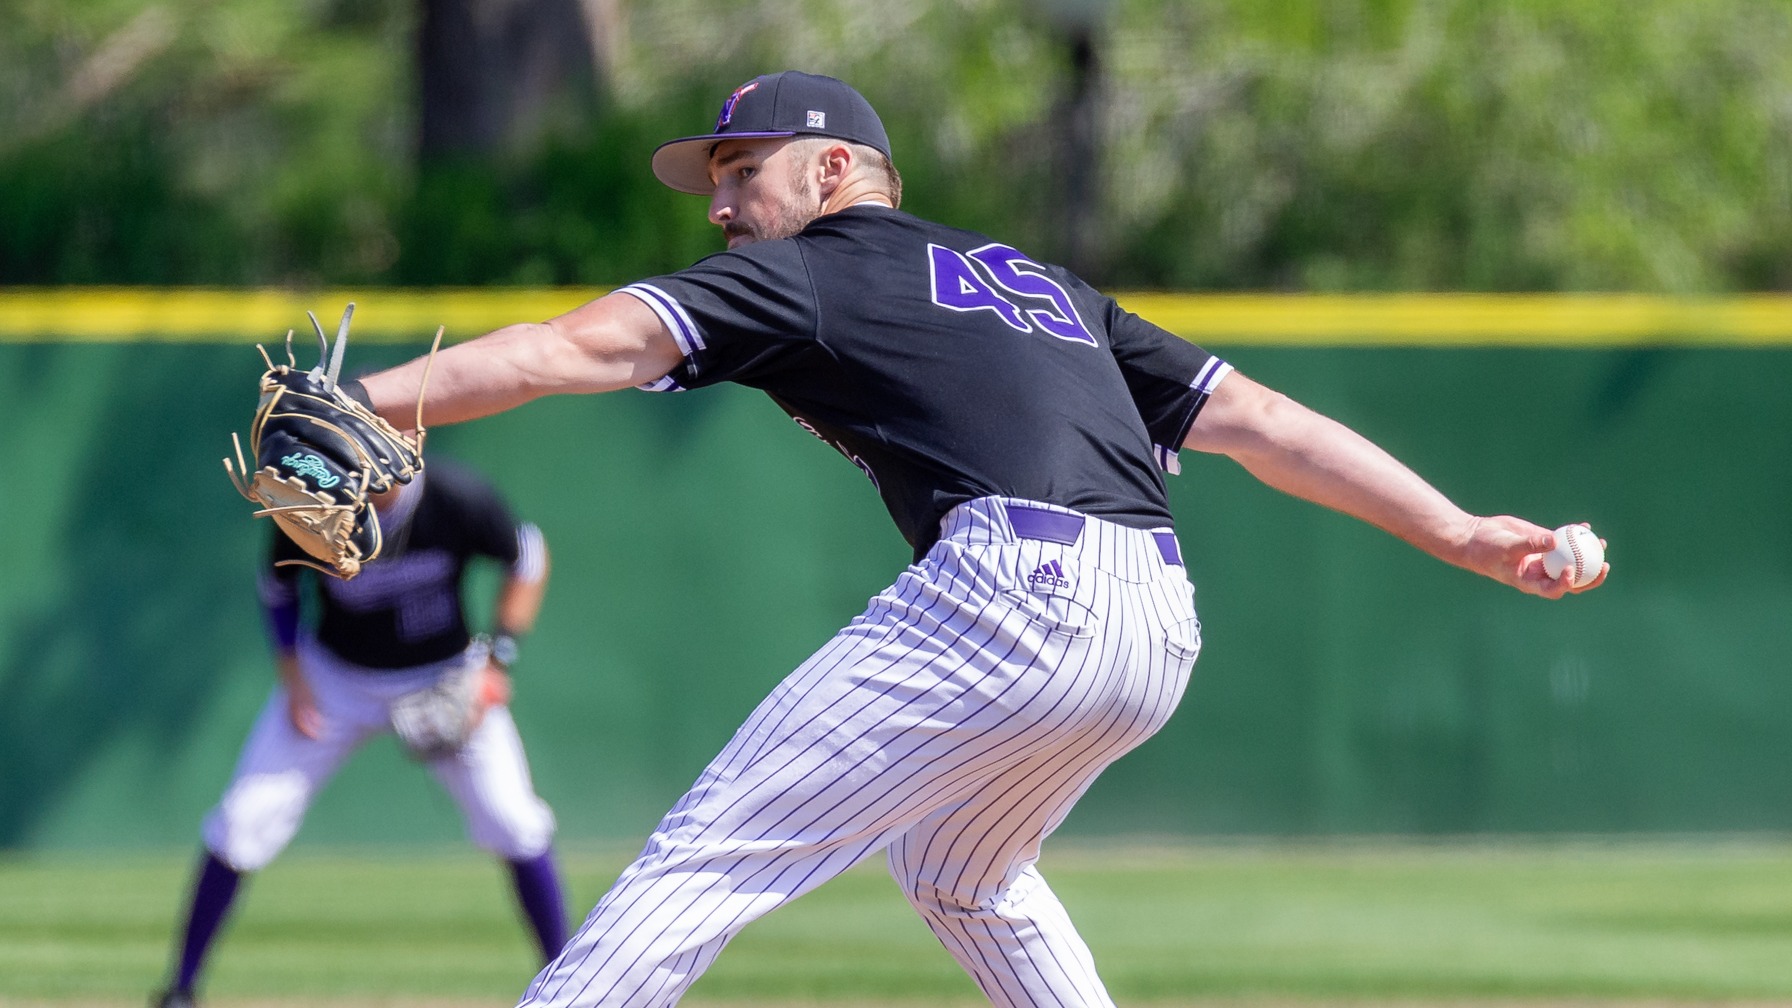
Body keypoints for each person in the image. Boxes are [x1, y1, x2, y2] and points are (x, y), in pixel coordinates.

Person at [348, 71, 1608, 1008]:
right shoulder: (1046, 286)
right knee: (964, 873)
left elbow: (565, 351)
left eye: (744, 172)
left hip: (1013, 592)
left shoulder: (811, 270)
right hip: (1153, 623)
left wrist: (364, 403)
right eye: (716, 182)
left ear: (832, 173)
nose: (724, 206)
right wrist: (1452, 527)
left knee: (707, 857)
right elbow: (1261, 422)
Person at [154, 457, 568, 1008]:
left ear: (405, 449)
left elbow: (529, 555)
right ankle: (180, 991)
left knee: (514, 820)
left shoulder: (455, 495)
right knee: (242, 820)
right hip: (335, 677)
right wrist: (293, 675)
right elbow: (275, 586)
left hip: (444, 675)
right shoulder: (317, 503)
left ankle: (572, 989)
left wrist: (498, 662)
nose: (364, 473)